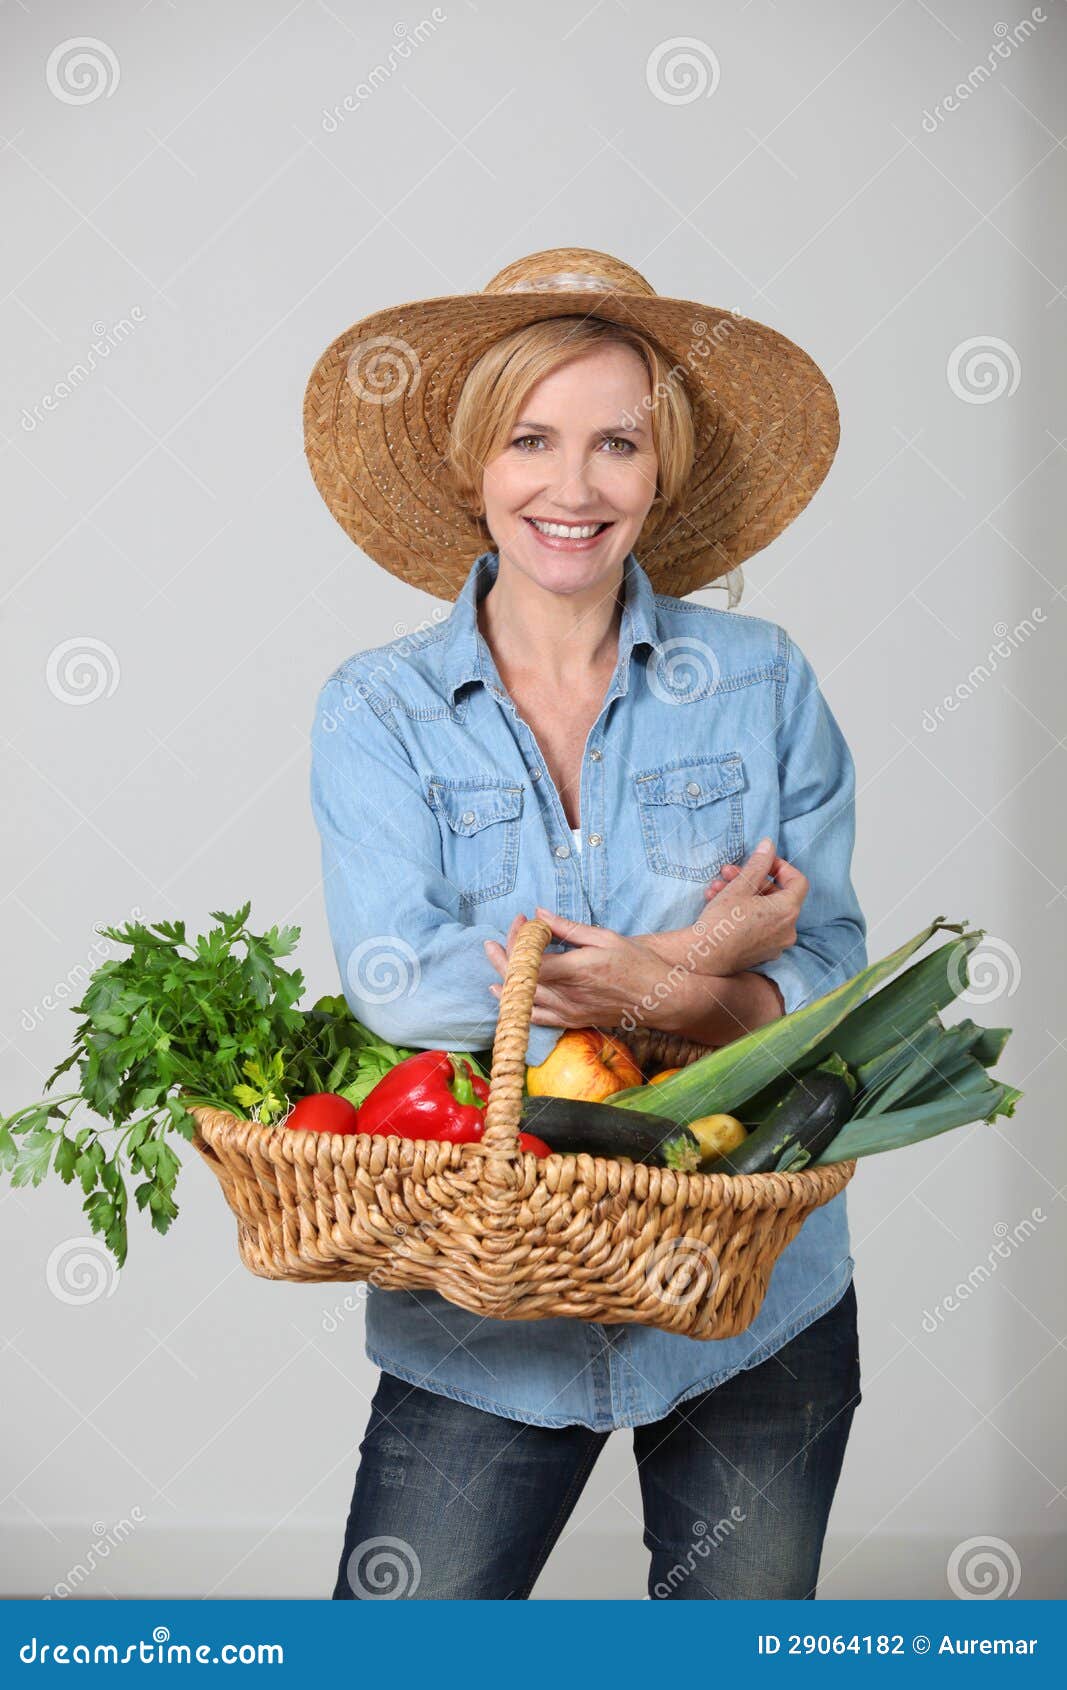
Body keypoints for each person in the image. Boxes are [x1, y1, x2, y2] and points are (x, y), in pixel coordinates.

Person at [305, 248, 865, 1599]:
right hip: (483, 1308)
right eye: (532, 439)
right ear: (471, 466)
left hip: (747, 1288)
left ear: (659, 469)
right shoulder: (376, 708)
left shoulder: (762, 680)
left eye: (617, 441)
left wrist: (692, 988)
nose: (574, 486)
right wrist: (697, 968)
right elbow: (398, 982)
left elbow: (837, 981)